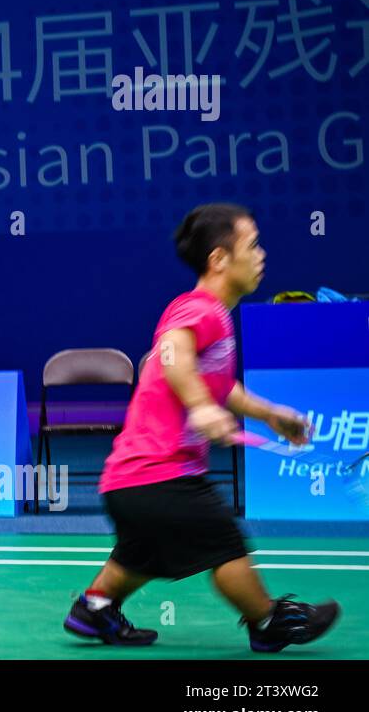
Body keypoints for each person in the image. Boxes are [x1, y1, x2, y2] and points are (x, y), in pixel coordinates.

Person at [64, 203, 340, 652]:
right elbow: (173, 353)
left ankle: (94, 608)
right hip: (162, 474)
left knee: (143, 551)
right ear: (219, 259)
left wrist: (270, 414)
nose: (262, 254)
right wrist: (199, 408)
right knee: (224, 541)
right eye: (252, 245)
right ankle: (269, 621)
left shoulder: (216, 319)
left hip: (128, 481)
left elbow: (221, 386)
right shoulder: (198, 309)